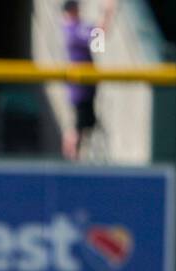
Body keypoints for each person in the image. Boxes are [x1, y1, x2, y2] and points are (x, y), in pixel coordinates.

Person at [61, 0, 116, 161]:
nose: (78, 11)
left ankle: (75, 159)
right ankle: (70, 161)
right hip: (79, 88)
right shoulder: (71, 29)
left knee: (84, 126)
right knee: (77, 127)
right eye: (75, 9)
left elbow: (99, 40)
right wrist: (106, 12)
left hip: (86, 87)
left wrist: (107, 14)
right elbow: (97, 41)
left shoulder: (76, 27)